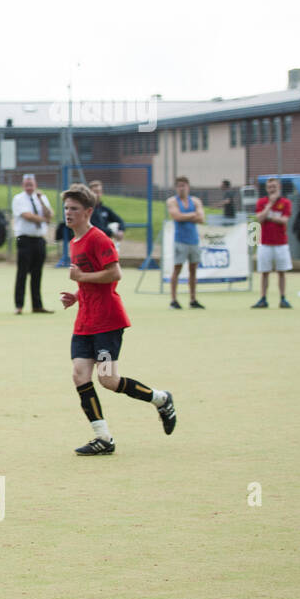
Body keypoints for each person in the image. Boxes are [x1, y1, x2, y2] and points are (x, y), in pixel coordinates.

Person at [58, 183, 176, 455]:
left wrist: (81, 278)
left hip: (108, 319)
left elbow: (115, 274)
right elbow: (91, 278)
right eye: (66, 208)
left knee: (109, 380)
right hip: (85, 320)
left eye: (74, 209)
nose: (68, 213)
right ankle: (103, 438)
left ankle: (161, 400)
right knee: (79, 375)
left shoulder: (99, 239)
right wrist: (77, 295)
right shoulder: (75, 242)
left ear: (89, 211)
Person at [12, 174, 54, 315]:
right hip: (24, 239)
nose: (29, 187)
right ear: (23, 185)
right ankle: (19, 305)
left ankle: (37, 305)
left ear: (35, 185)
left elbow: (50, 214)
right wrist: (43, 219)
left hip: (39, 239)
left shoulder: (41, 198)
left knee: (37, 273)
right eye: (27, 184)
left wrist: (41, 201)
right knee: (22, 273)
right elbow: (27, 216)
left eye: (31, 184)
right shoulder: (19, 199)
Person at [251, 176, 293, 309]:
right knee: (264, 272)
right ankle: (263, 298)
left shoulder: (286, 202)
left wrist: (269, 217)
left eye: (274, 186)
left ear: (279, 187)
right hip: (264, 243)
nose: (272, 189)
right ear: (266, 189)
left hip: (281, 243)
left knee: (282, 272)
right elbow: (259, 218)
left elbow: (284, 220)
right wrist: (270, 206)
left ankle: (283, 298)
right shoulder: (261, 202)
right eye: (270, 187)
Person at [165, 176, 206, 310]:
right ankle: (173, 299)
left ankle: (193, 299)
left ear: (188, 186)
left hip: (193, 240)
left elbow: (201, 218)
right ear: (176, 187)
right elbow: (176, 216)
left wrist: (187, 216)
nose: (182, 188)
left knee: (193, 270)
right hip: (180, 240)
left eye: (184, 185)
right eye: (179, 185)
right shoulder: (172, 201)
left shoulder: (195, 201)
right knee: (177, 269)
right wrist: (192, 215)